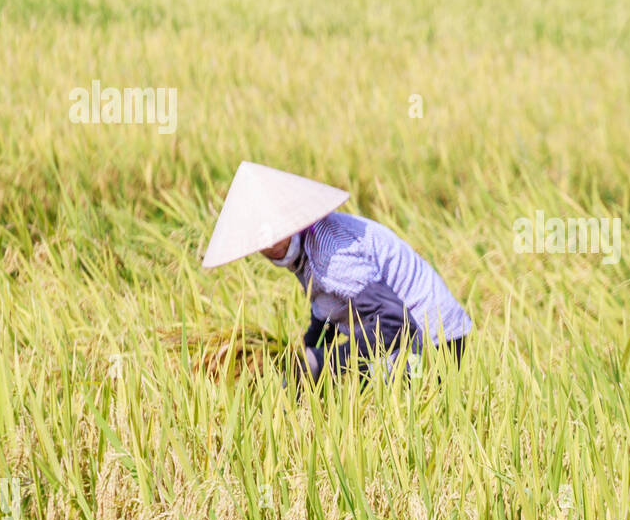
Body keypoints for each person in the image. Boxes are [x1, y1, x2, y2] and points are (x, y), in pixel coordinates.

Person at [202, 161, 471, 381]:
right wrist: (307, 350)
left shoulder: (331, 254)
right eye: (259, 235)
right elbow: (329, 304)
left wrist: (324, 363)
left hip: (436, 344)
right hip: (406, 332)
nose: (270, 242)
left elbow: (395, 323)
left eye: (274, 229)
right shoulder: (306, 250)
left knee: (377, 402)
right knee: (342, 384)